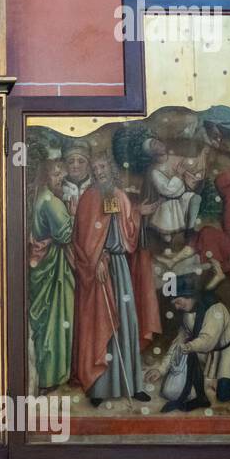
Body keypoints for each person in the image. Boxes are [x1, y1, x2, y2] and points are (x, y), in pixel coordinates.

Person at [70, 153, 159, 406]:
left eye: (103, 166)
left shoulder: (119, 196)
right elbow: (83, 238)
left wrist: (139, 213)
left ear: (111, 169)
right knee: (101, 323)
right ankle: (99, 388)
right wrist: (96, 260)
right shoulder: (89, 198)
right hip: (99, 269)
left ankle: (131, 384)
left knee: (125, 323)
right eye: (95, 167)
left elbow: (129, 234)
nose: (99, 171)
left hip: (119, 267)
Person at [144, 275, 230, 416]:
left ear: (189, 296)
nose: (176, 306)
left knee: (224, 394)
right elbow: (178, 342)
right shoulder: (187, 315)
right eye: (174, 303)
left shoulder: (214, 308)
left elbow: (208, 339)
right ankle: (201, 398)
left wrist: (188, 347)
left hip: (229, 351)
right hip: (213, 353)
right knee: (196, 365)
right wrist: (161, 369)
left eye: (178, 301)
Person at [27, 159, 75, 392]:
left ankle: (47, 376)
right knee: (55, 320)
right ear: (46, 176)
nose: (61, 179)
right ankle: (52, 375)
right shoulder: (51, 201)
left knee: (47, 322)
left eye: (61, 174)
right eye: (57, 175)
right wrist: (74, 214)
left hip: (42, 266)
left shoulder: (40, 198)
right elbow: (65, 235)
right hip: (54, 268)